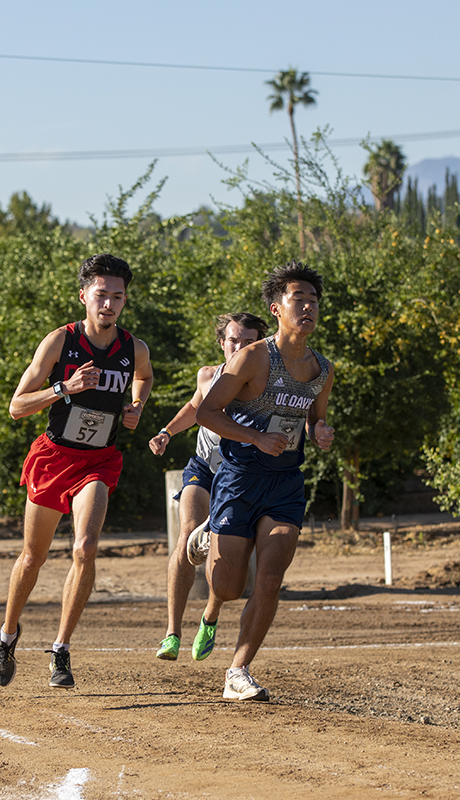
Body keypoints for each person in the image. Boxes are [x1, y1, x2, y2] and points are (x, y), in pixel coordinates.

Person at [0, 253, 153, 689]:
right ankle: (7, 635)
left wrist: (137, 406)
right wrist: (64, 387)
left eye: (117, 296)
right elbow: (16, 407)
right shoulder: (59, 342)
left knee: (85, 548)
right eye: (101, 294)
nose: (109, 303)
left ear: (124, 300)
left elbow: (144, 376)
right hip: (54, 457)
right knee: (34, 557)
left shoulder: (134, 348)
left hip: (98, 461)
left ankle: (60, 649)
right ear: (84, 296)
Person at [194, 260, 335, 701]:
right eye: (298, 299)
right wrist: (256, 437)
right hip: (239, 478)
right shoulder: (253, 357)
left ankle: (238, 671)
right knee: (229, 586)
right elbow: (207, 413)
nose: (308, 307)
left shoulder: (323, 369)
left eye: (314, 300)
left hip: (285, 483)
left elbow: (315, 420)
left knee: (271, 579)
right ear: (276, 308)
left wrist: (320, 432)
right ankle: (211, 592)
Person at [148, 312, 270, 663]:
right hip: (204, 469)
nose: (239, 347)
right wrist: (167, 432)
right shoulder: (207, 375)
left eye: (249, 342)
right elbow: (194, 406)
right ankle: (172, 632)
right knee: (187, 533)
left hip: (242, 477)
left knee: (223, 552)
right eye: (233, 340)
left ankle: (210, 615)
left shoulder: (267, 385)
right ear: (222, 343)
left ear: (260, 346)